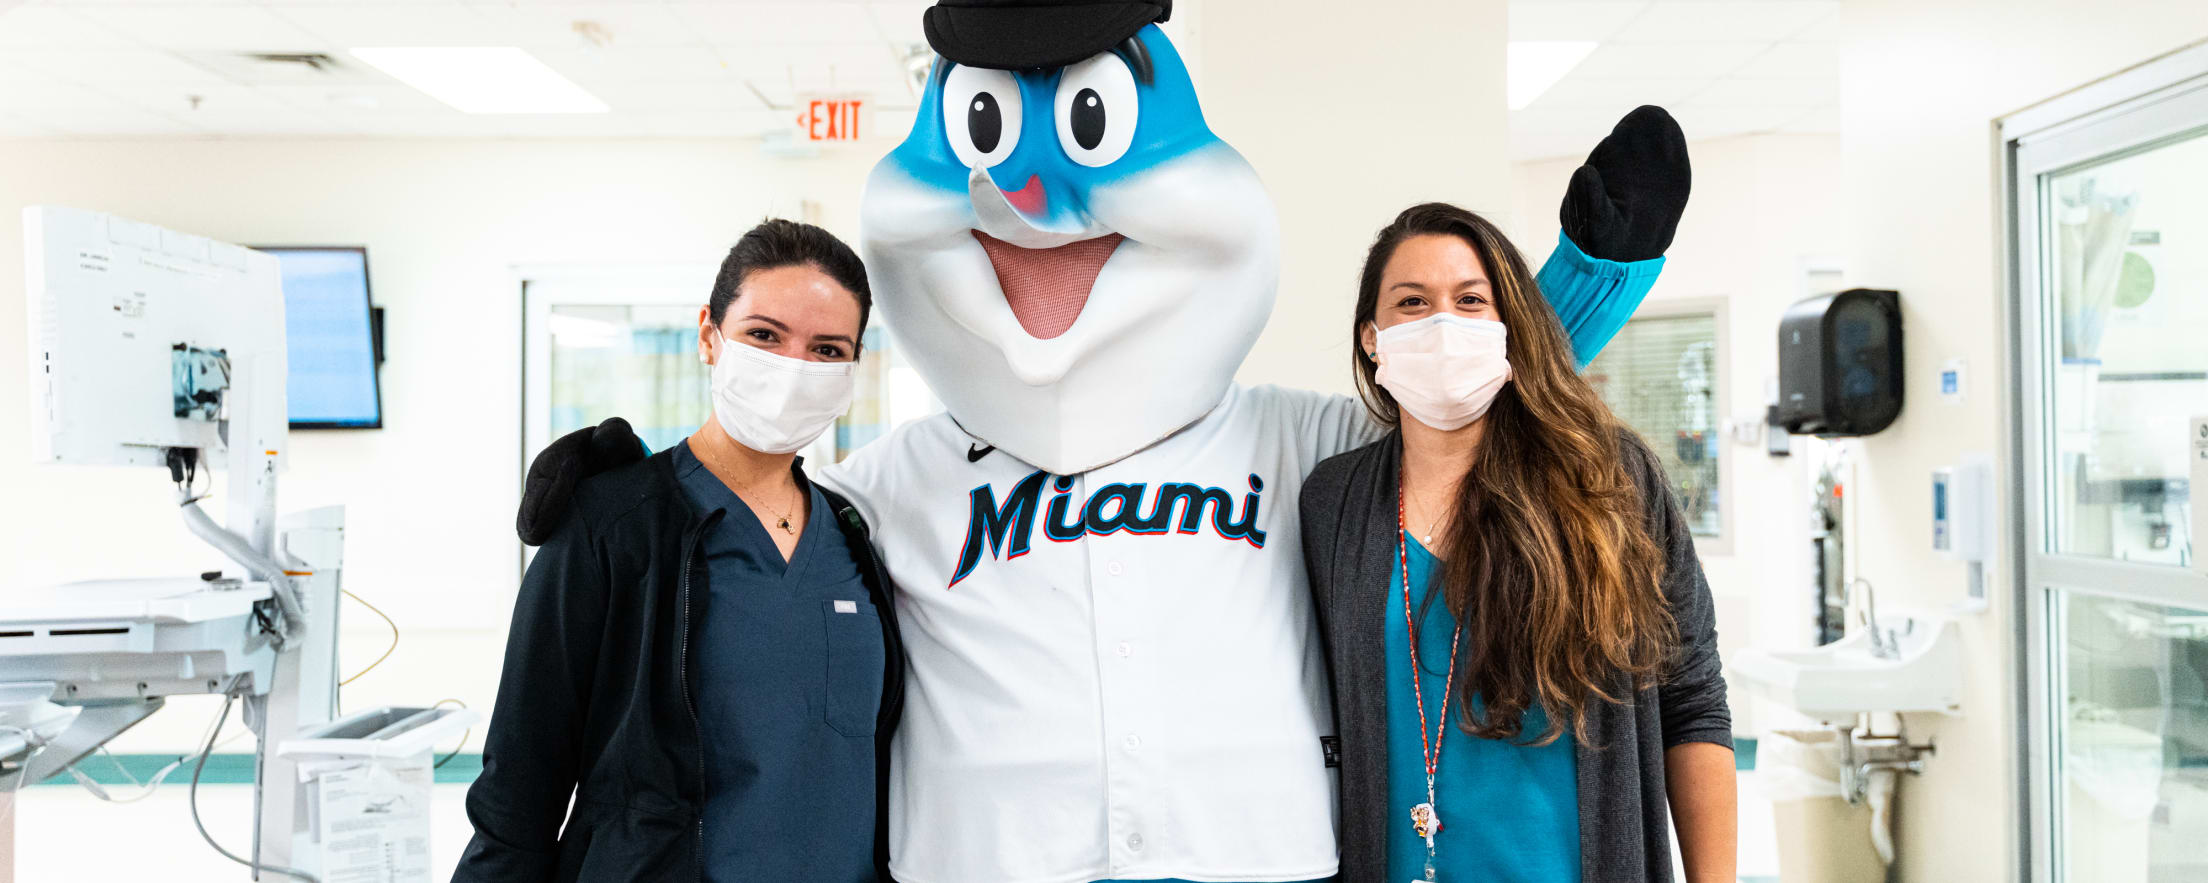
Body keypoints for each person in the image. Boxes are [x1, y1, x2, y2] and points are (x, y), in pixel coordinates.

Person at [513, 3, 1691, 880]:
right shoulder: (890, 485)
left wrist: (1586, 275)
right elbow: (765, 500)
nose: (1032, 194)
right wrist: (635, 487)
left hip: (1251, 854)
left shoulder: (1295, 445)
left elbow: (1465, 413)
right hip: (990, 860)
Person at [454, 219, 903, 883]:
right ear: (709, 335)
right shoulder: (612, 526)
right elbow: (517, 789)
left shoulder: (850, 536)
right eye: (765, 335)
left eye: (828, 349)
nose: (793, 367)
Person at [1299, 202, 1735, 883]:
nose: (1442, 322)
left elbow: (1693, 698)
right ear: (1371, 337)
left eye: (1471, 300)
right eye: (1412, 302)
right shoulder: (1335, 502)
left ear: (1510, 330)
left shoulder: (1608, 477)